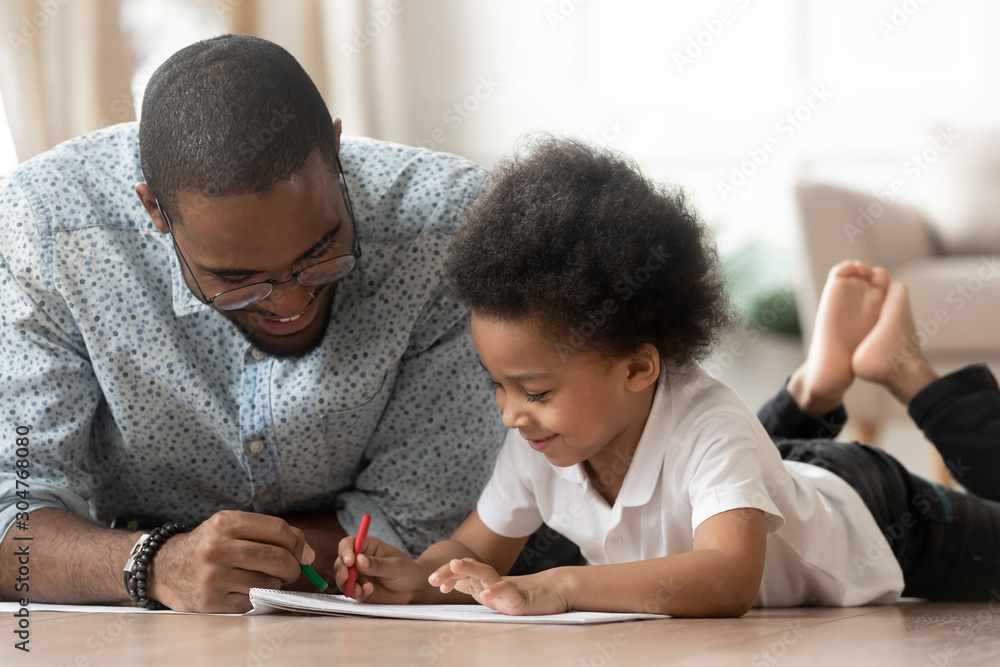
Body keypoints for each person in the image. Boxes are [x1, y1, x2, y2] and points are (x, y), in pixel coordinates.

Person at [333, 137, 1000, 616]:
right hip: (773, 475)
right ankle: (815, 387)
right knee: (746, 462)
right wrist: (420, 575)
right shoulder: (540, 440)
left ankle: (907, 371)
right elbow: (476, 545)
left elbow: (726, 576)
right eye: (497, 386)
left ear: (638, 365)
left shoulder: (709, 424)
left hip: (873, 510)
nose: (511, 413)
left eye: (534, 390)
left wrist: (560, 586)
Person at [0, 35, 506, 613]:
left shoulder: (449, 232)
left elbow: (422, 528)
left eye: (321, 252)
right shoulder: (48, 232)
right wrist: (158, 563)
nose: (291, 303)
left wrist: (227, 568)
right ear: (154, 211)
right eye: (238, 279)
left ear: (337, 152)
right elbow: (12, 511)